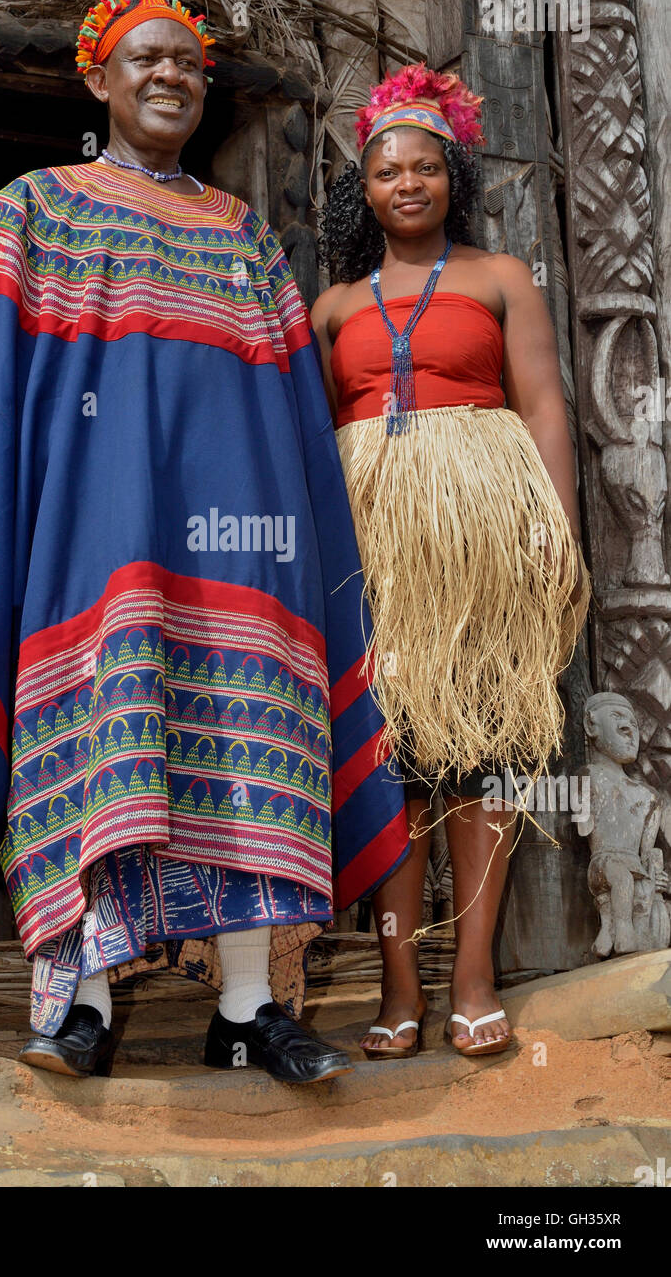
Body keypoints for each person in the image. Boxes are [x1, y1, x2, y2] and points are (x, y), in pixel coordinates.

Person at [0, 0, 409, 1083]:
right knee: (98, 753)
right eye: (146, 58)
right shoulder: (39, 209)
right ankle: (84, 1008)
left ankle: (249, 1009)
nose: (169, 76)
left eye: (188, 64)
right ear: (98, 78)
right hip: (92, 546)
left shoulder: (245, 236)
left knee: (251, 754)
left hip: (242, 561)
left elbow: (290, 411)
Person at [312, 64, 590, 1059]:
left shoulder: (499, 278)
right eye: (389, 171)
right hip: (373, 549)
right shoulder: (334, 305)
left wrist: (552, 533)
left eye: (426, 168)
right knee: (390, 767)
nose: (409, 185)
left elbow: (545, 405)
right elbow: (307, 437)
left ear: (449, 178)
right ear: (367, 189)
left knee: (480, 757)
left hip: (478, 544)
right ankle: (398, 989)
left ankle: (471, 979)